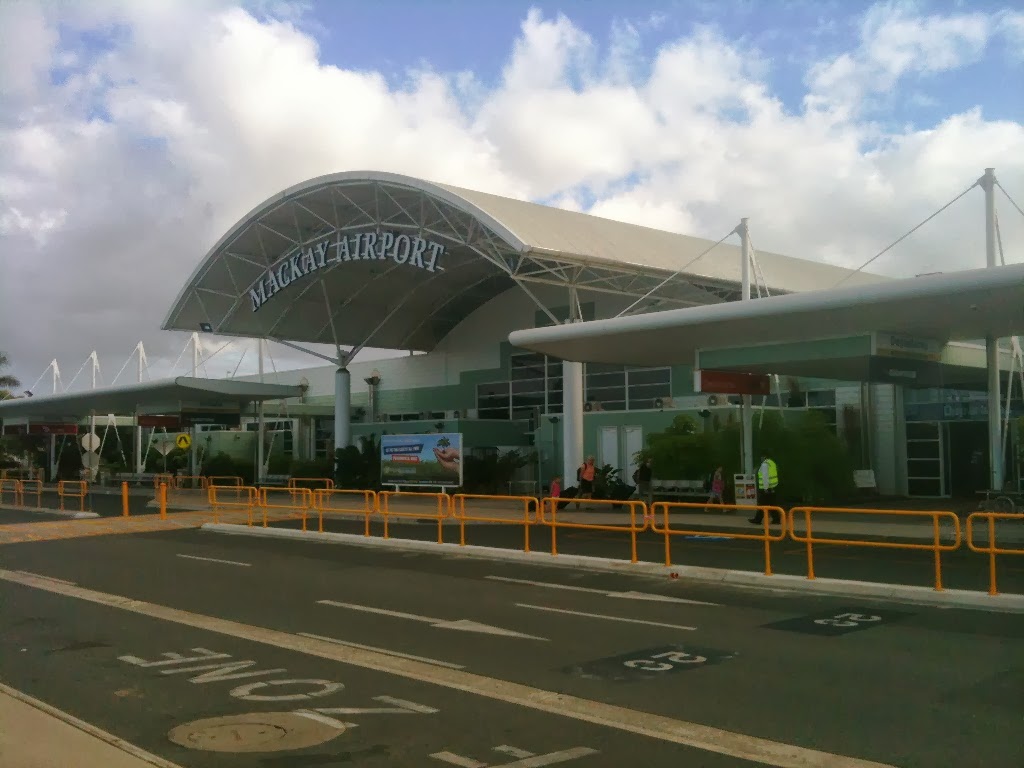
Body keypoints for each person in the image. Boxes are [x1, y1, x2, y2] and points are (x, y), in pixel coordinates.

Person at [749, 453, 780, 525]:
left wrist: (765, 488)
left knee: (762, 505)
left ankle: (758, 520)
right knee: (772, 505)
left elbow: (765, 477)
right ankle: (776, 519)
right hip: (772, 487)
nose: (761, 459)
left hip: (765, 489)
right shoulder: (772, 463)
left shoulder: (764, 464)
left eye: (761, 457)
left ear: (763, 457)